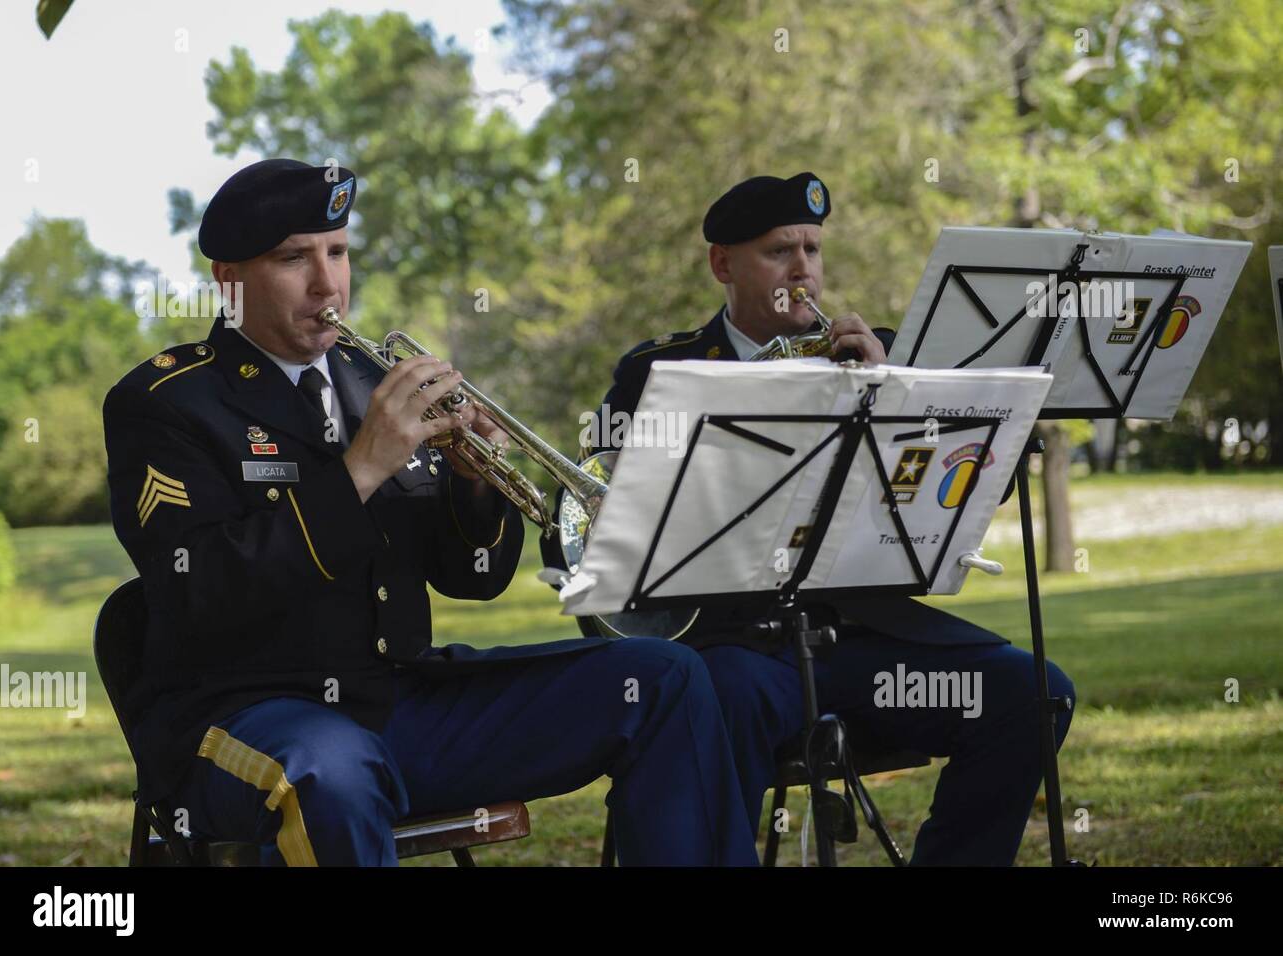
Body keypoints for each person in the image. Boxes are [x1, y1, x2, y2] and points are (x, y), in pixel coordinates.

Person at [103, 158, 758, 866]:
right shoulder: (167, 403)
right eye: (294, 259)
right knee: (328, 774)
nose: (329, 283)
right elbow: (202, 589)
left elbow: (470, 579)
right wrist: (361, 469)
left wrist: (474, 485)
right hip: (241, 718)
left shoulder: (370, 383)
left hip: (400, 705)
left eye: (339, 252)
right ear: (228, 279)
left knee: (665, 678)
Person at [545, 172, 1076, 865]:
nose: (804, 272)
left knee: (1031, 695)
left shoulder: (876, 354)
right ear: (723, 265)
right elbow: (583, 515)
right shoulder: (658, 372)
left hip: (863, 641)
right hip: (733, 650)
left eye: (814, 251)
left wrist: (896, 396)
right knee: (702, 714)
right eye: (779, 251)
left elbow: (977, 481)